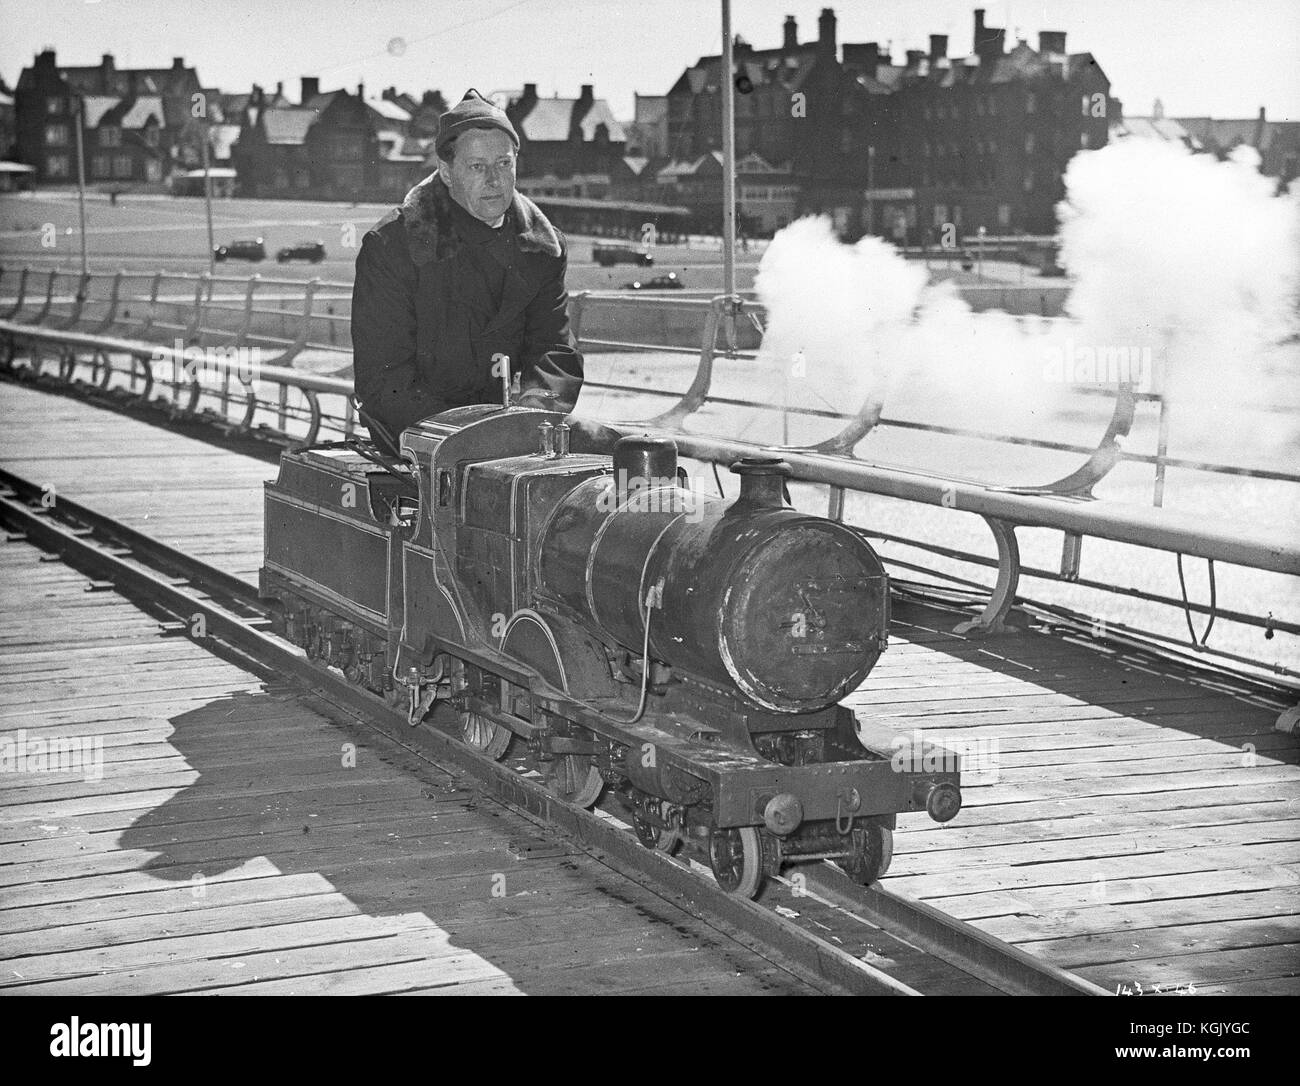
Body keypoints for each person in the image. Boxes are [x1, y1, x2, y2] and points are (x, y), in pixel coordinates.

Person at [351, 89, 584, 453]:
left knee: (621, 458)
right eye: (477, 167)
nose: (494, 180)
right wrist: (472, 436)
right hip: (420, 437)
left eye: (504, 164)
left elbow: (554, 350)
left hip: (514, 429)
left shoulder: (542, 248)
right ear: (446, 171)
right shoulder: (393, 246)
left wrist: (531, 417)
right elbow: (384, 381)